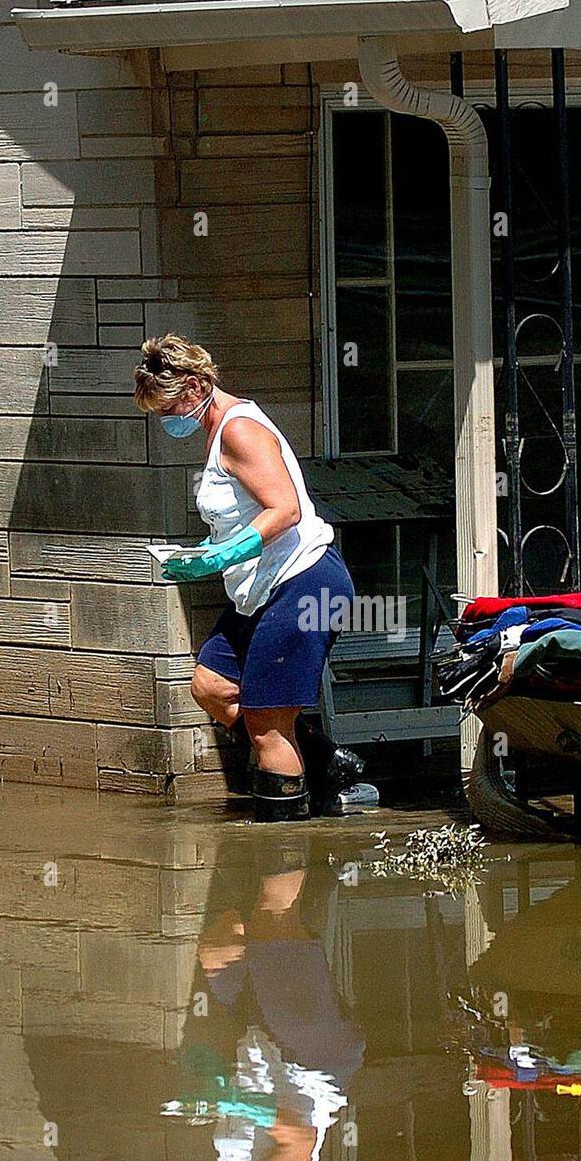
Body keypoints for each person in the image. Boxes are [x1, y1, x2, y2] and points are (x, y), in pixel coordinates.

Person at [134, 332, 364, 820]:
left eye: (169, 410)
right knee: (211, 684)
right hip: (262, 589)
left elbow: (287, 509)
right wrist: (203, 554)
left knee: (265, 726)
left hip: (304, 581)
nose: (168, 421)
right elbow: (240, 516)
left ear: (196, 387)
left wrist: (222, 556)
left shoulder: (239, 430)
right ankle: (322, 763)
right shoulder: (217, 430)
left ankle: (282, 843)